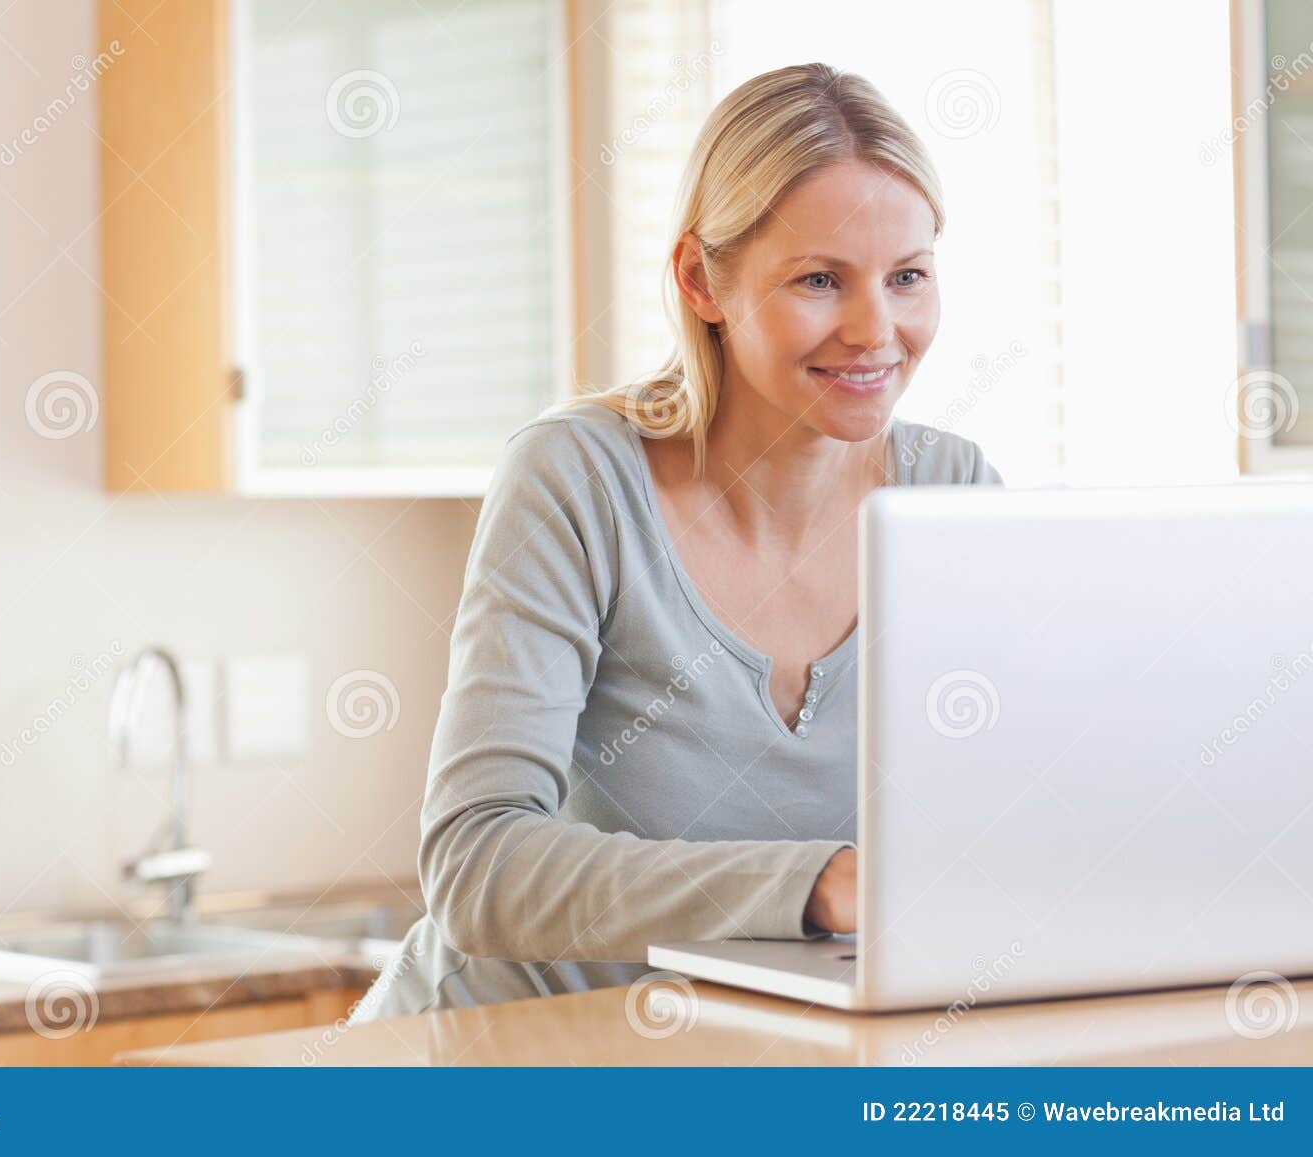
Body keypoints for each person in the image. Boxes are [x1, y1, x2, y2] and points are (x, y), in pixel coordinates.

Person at [352, 62, 1003, 1023]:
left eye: (907, 277)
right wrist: (817, 884)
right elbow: (477, 861)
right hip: (481, 1054)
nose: (877, 330)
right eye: (821, 280)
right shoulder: (578, 480)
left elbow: (1014, 822)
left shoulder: (955, 499)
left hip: (734, 1059)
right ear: (702, 279)